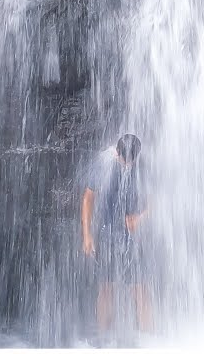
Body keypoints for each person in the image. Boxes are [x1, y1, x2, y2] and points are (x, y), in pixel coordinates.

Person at [81, 134, 151, 335]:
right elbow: (87, 198)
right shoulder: (104, 165)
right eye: (124, 161)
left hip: (134, 240)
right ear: (117, 153)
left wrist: (140, 218)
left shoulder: (143, 168)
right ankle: (104, 340)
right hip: (107, 234)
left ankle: (151, 343)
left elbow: (157, 200)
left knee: (140, 289)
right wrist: (87, 235)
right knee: (106, 288)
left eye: (131, 162)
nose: (127, 165)